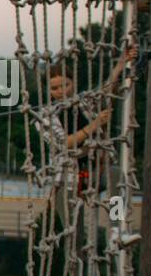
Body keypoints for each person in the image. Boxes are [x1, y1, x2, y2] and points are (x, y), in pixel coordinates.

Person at [34, 43, 136, 188]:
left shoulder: (84, 101)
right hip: (66, 175)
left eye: (65, 85)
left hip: (96, 169)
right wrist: (95, 124)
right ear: (48, 91)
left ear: (73, 83)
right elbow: (64, 144)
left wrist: (120, 64)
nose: (61, 91)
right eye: (54, 88)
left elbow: (105, 90)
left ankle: (117, 212)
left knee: (116, 176)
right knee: (70, 208)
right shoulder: (44, 115)